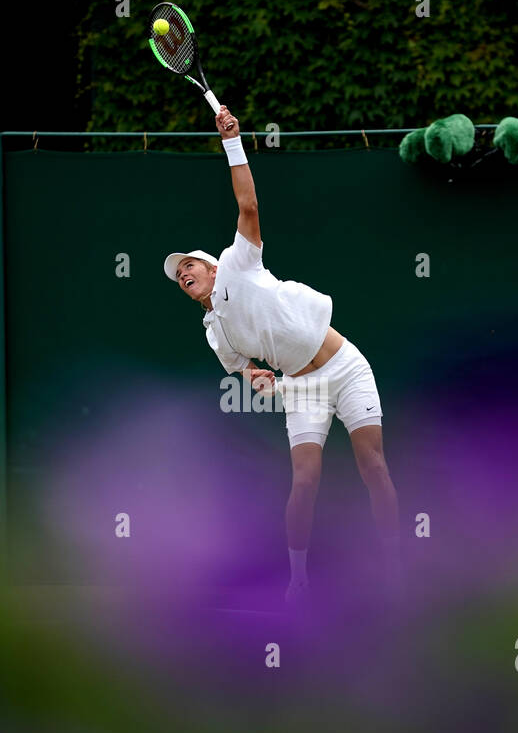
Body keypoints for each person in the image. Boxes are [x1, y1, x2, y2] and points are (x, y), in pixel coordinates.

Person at [163, 105, 399, 604]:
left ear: (209, 266)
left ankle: (396, 567)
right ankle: (298, 581)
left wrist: (231, 141)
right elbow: (247, 370)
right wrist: (258, 378)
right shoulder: (215, 333)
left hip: (345, 364)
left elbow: (248, 207)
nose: (183, 272)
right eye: (178, 275)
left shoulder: (236, 262)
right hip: (301, 386)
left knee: (372, 465)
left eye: (188, 265)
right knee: (305, 480)